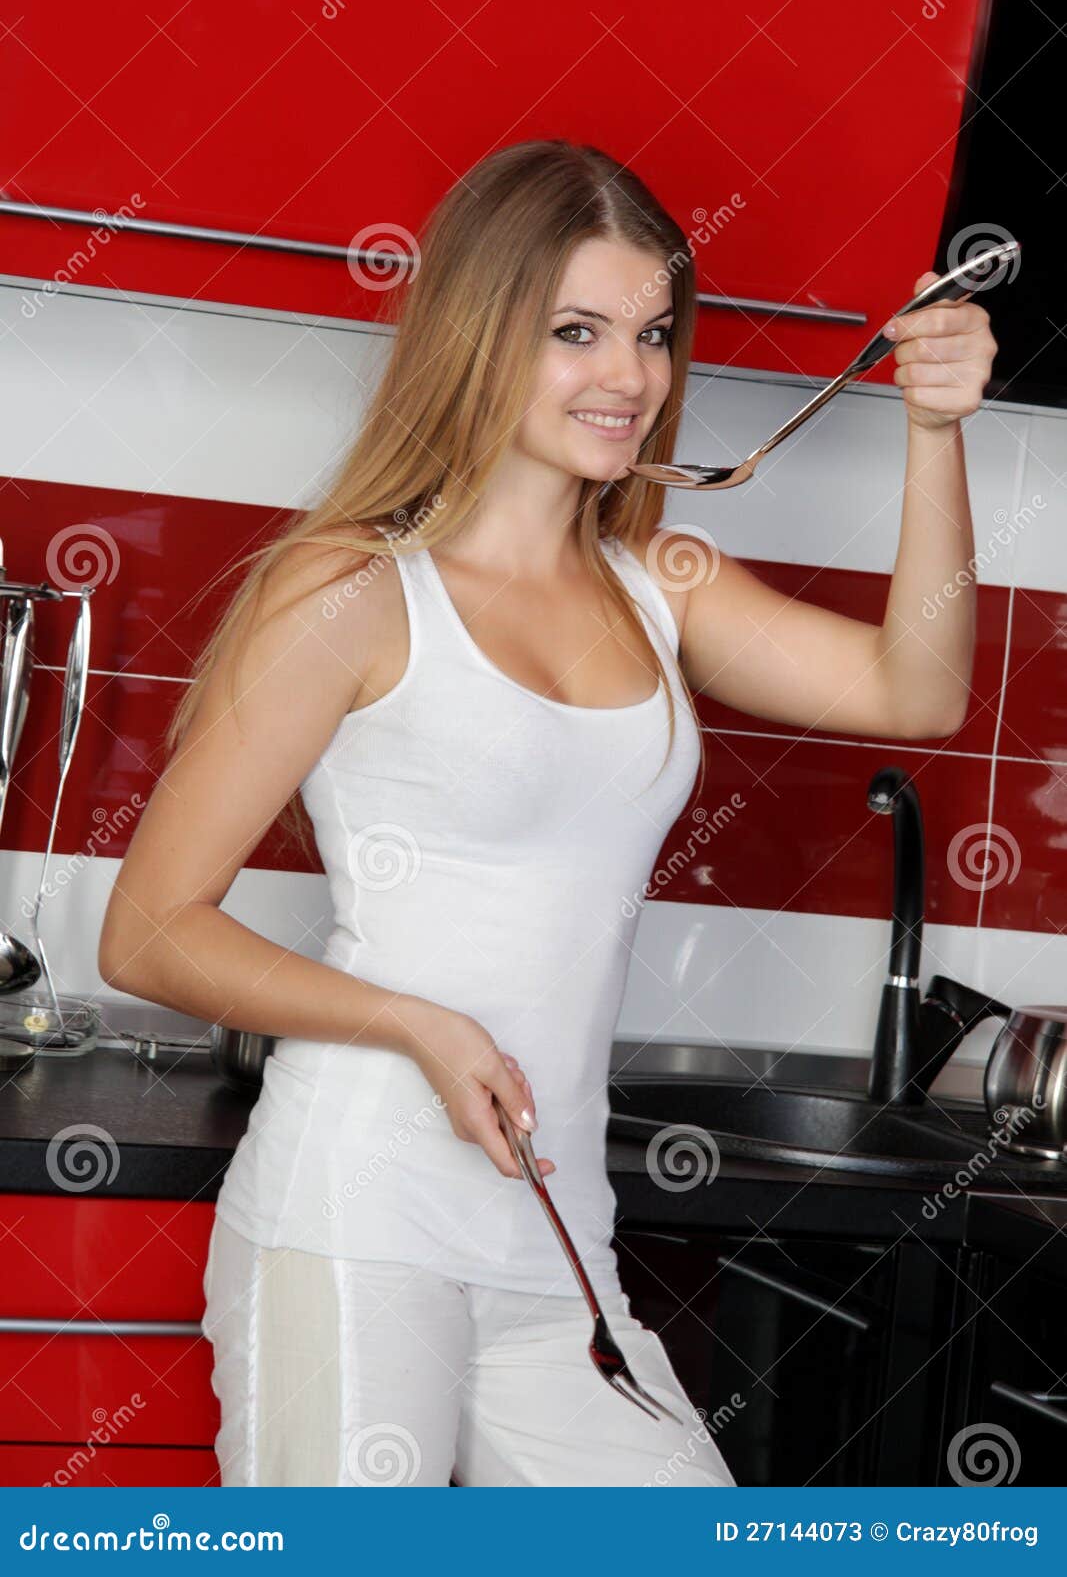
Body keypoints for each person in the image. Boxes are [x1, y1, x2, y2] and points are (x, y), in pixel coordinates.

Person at [98, 138, 994, 1486]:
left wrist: (936, 434)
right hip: (355, 1217)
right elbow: (148, 929)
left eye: (651, 333)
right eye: (578, 331)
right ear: (480, 331)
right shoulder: (353, 588)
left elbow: (914, 686)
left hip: (557, 1230)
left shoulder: (660, 577)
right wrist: (412, 1019)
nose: (629, 374)